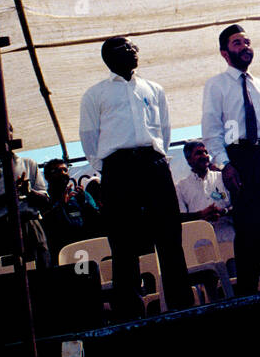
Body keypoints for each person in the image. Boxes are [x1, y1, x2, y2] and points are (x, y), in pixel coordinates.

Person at [79, 37, 193, 319]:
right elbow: (89, 136)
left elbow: (164, 130)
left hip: (153, 164)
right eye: (124, 48)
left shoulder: (153, 89)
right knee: (123, 242)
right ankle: (129, 313)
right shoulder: (95, 94)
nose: (132, 51)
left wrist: (156, 157)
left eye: (134, 47)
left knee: (169, 236)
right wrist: (106, 167)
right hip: (118, 169)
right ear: (108, 58)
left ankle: (182, 306)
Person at [200, 24, 260, 295]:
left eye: (247, 42)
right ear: (224, 52)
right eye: (237, 43)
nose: (245, 47)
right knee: (249, 229)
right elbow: (211, 131)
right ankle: (249, 296)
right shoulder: (216, 85)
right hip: (240, 159)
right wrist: (226, 164)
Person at [0, 120, 50, 267]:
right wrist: (8, 196)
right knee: (4, 281)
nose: (4, 135)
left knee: (40, 274)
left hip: (29, 227)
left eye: (8, 130)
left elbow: (45, 201)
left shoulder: (28, 164)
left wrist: (28, 192)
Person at [174, 140, 236, 242]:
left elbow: (238, 205)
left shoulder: (222, 177)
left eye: (206, 152)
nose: (204, 156)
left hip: (228, 238)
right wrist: (201, 215)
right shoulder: (181, 187)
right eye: (198, 153)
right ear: (188, 159)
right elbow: (180, 217)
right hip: (200, 243)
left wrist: (223, 211)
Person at [41, 159, 103, 259]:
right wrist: (61, 205)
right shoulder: (44, 199)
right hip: (62, 252)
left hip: (85, 250)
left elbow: (98, 220)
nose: (63, 173)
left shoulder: (81, 195)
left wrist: (84, 204)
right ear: (47, 177)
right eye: (57, 171)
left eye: (65, 170)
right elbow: (47, 226)